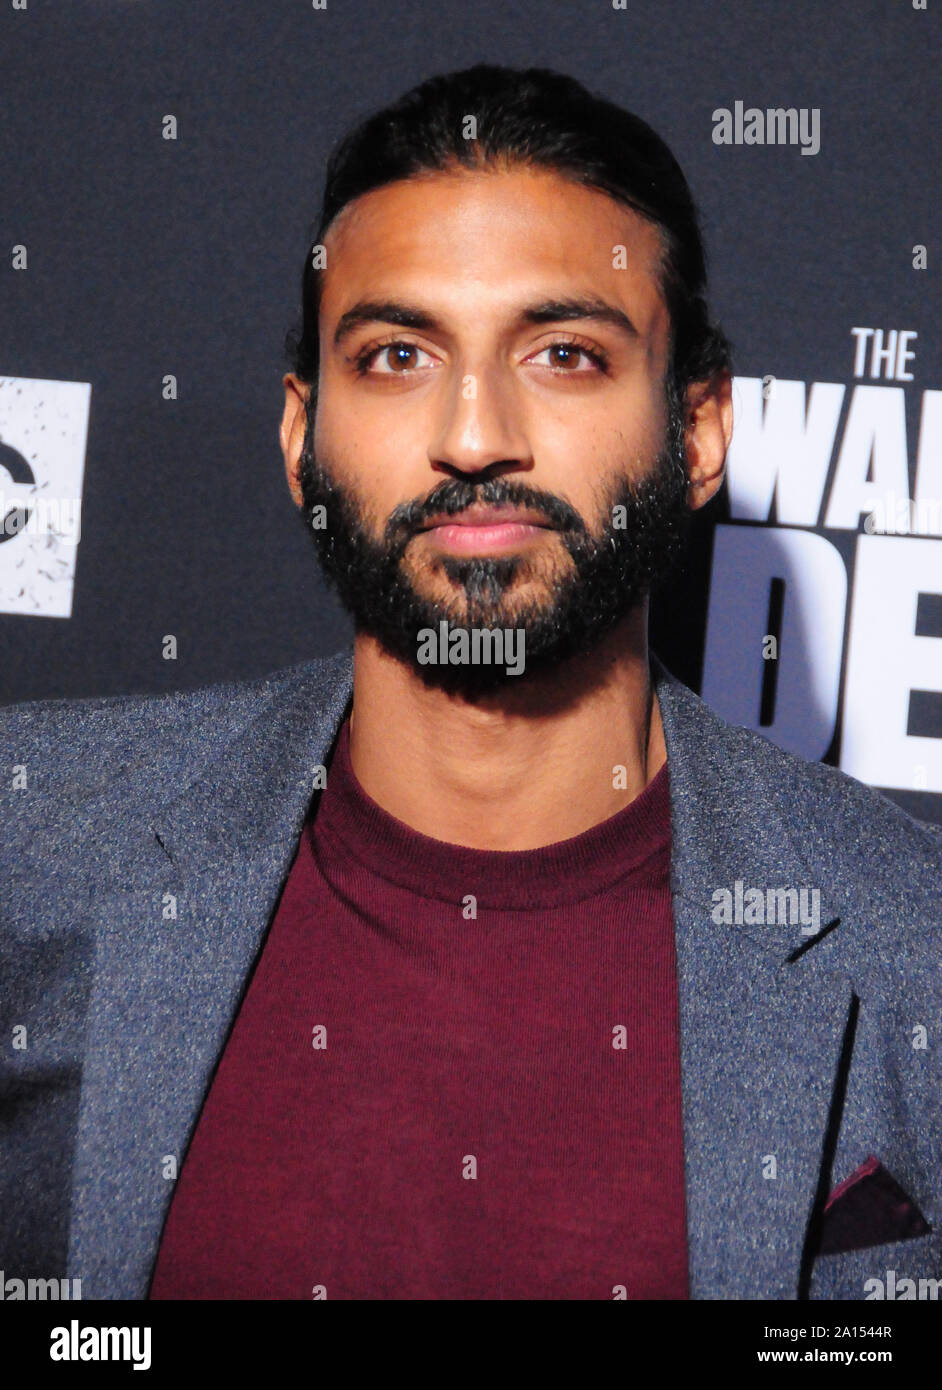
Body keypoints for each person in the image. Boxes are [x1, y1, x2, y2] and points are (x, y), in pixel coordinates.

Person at [2, 65, 939, 1302]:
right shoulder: (37, 843)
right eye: (396, 354)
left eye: (563, 353)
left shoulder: (907, 937)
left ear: (700, 430)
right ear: (302, 438)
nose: (476, 431)